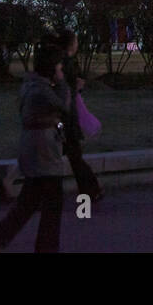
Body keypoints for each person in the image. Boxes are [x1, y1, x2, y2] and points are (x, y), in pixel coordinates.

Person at [0, 43, 71, 253]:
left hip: (35, 148)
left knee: (29, 200)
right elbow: (63, 106)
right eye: (59, 67)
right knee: (51, 203)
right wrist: (63, 84)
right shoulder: (41, 90)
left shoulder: (30, 85)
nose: (61, 71)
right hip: (43, 151)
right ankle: (46, 247)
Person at [56, 29, 103, 202]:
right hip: (67, 118)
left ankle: (90, 190)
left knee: (71, 156)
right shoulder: (67, 63)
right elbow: (67, 89)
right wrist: (77, 87)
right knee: (74, 157)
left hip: (64, 117)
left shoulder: (62, 62)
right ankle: (90, 191)